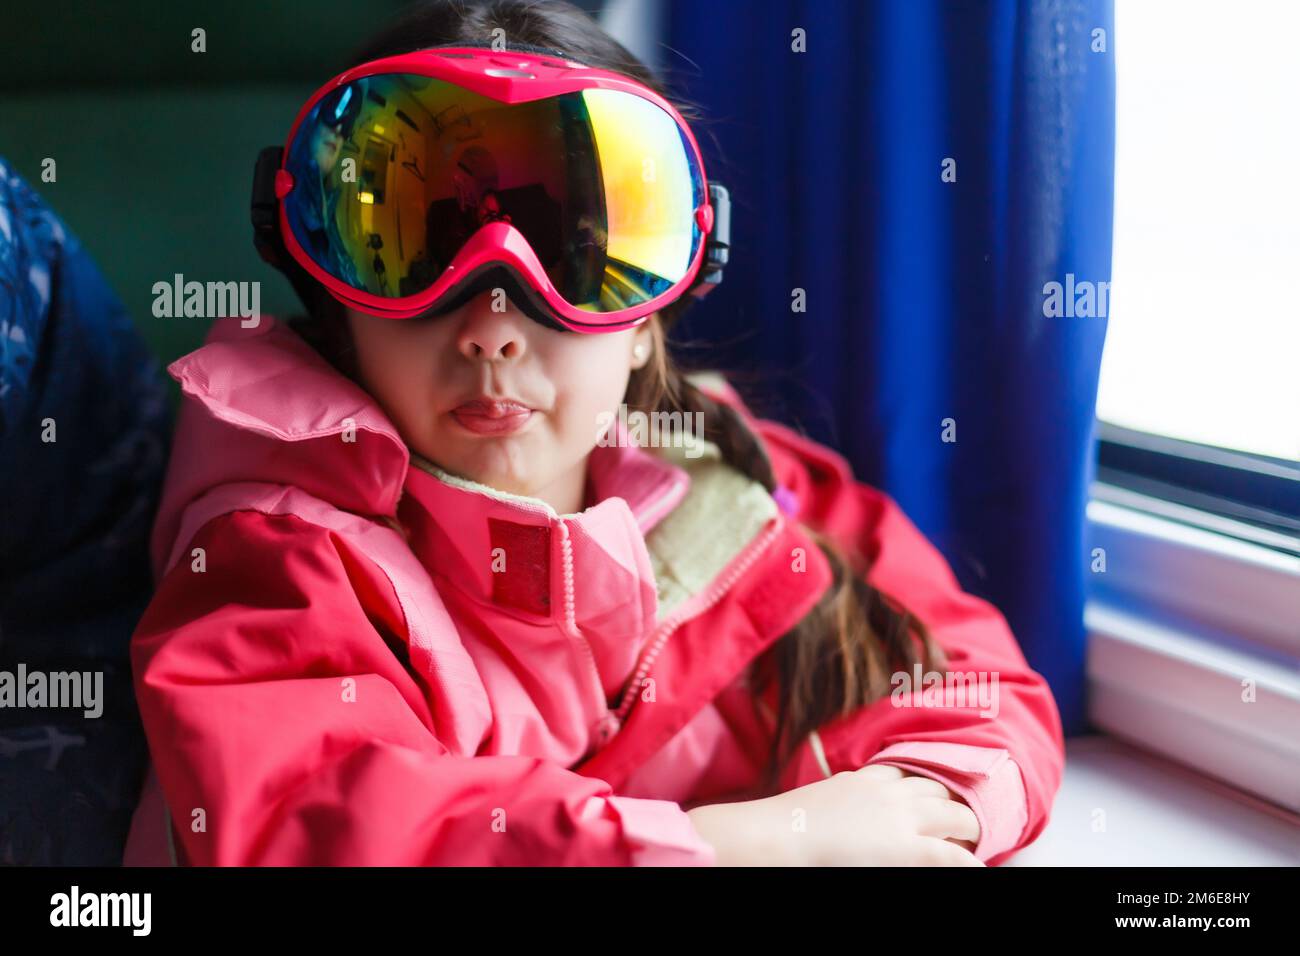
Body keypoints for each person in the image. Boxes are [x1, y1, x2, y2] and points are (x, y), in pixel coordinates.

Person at [123, 0, 1064, 867]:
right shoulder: (271, 562)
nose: (492, 327)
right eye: (416, 244)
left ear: (650, 310)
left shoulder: (752, 494)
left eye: (571, 252)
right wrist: (756, 846)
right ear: (338, 300)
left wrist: (911, 804)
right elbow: (320, 824)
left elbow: (980, 688)